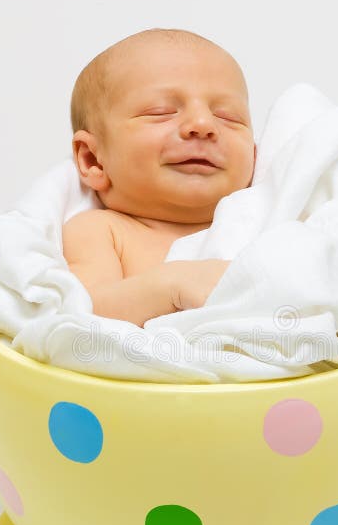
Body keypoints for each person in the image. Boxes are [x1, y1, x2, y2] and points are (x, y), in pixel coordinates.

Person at [64, 28, 257, 327]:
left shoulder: (266, 218)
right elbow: (83, 317)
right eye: (161, 112)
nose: (203, 124)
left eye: (228, 116)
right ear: (93, 159)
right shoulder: (103, 231)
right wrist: (171, 286)